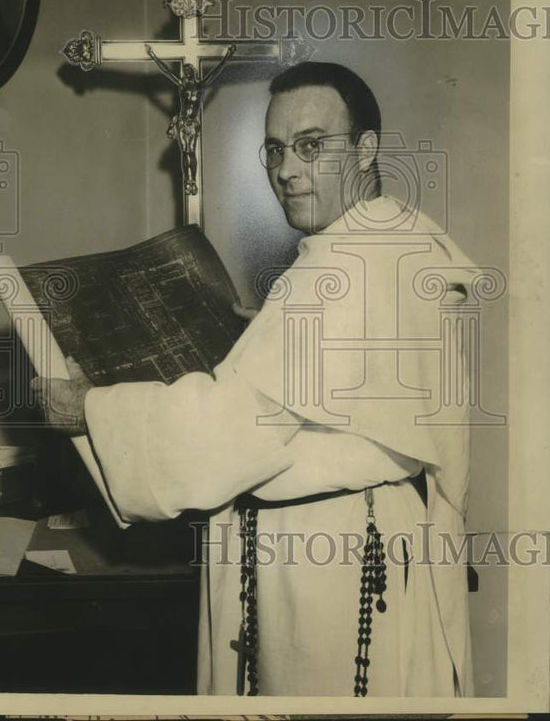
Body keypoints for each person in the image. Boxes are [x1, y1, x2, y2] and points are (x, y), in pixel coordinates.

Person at [33, 61, 479, 697]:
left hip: (329, 563)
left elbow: (231, 427)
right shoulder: (399, 239)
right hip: (369, 538)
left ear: (366, 147)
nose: (286, 169)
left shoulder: (343, 269)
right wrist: (263, 336)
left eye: (310, 145)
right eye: (274, 149)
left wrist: (90, 409)